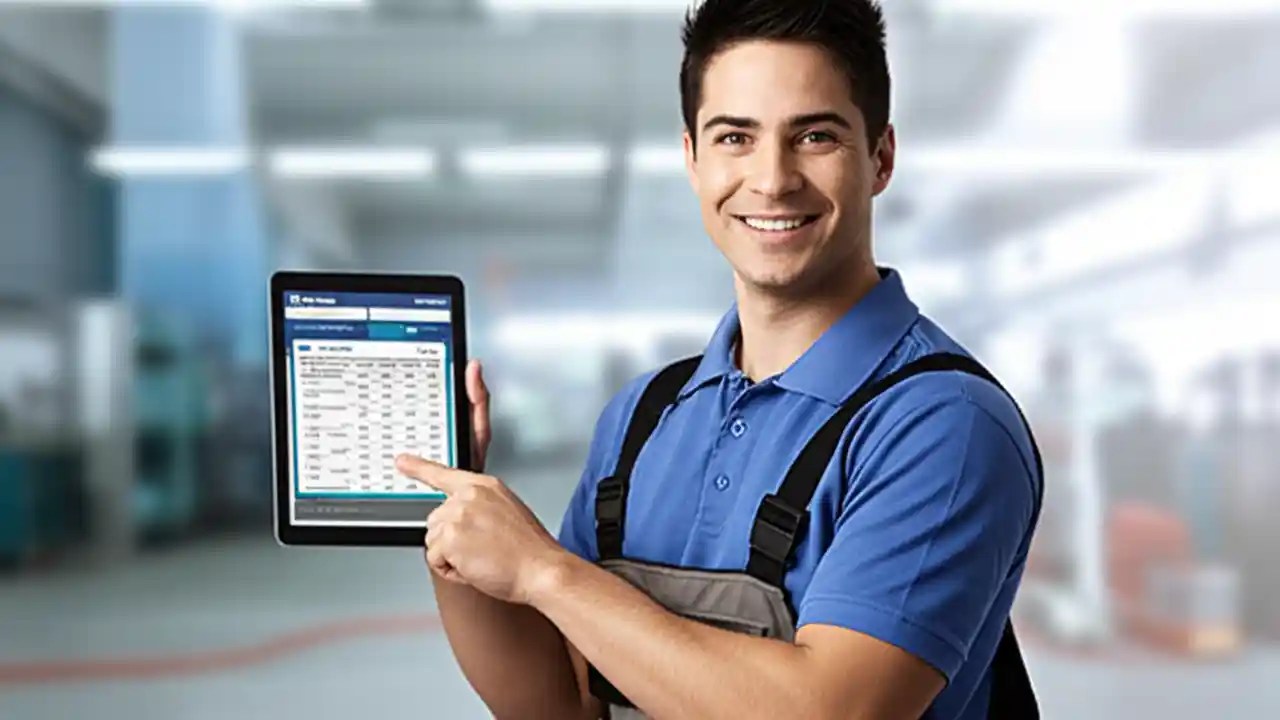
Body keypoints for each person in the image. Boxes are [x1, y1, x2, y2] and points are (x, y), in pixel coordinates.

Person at [394, 1, 1043, 718]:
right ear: (692, 159)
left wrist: (545, 571)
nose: (771, 179)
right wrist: (457, 522)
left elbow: (834, 711)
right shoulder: (641, 418)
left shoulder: (941, 425)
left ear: (880, 157)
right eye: (735, 137)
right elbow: (560, 703)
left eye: (815, 136)